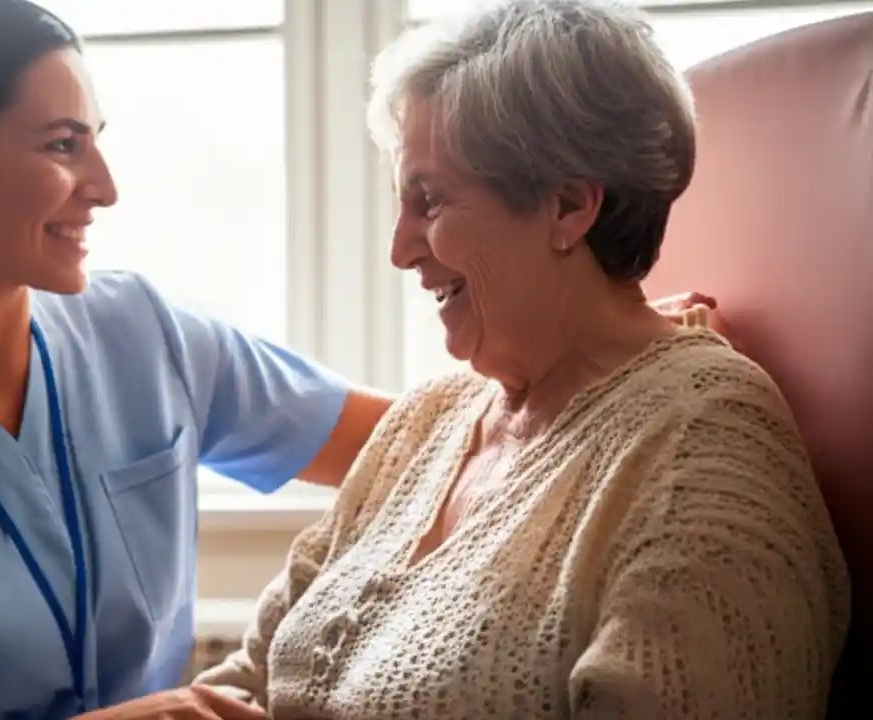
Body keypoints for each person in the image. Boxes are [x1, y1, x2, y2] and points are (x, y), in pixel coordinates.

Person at [0, 1, 711, 718]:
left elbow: (437, 448)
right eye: (61, 145)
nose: (102, 185)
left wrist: (600, 344)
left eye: (95, 141)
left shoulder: (141, 334)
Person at [194, 1, 850, 718]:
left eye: (430, 201)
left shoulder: (702, 448)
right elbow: (249, 678)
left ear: (569, 206)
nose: (399, 249)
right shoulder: (426, 419)